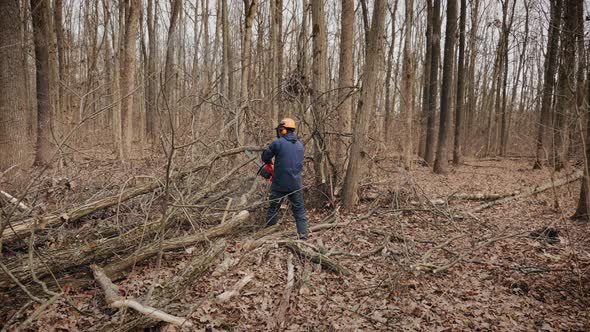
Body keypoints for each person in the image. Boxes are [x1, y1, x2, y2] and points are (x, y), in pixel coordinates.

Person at [261, 118, 308, 240]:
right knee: (299, 211)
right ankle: (303, 237)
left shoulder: (277, 143)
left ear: (283, 130)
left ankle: (268, 236)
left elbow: (265, 156)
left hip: (279, 184)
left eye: (280, 130)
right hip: (295, 183)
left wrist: (268, 162)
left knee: (273, 209)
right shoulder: (300, 146)